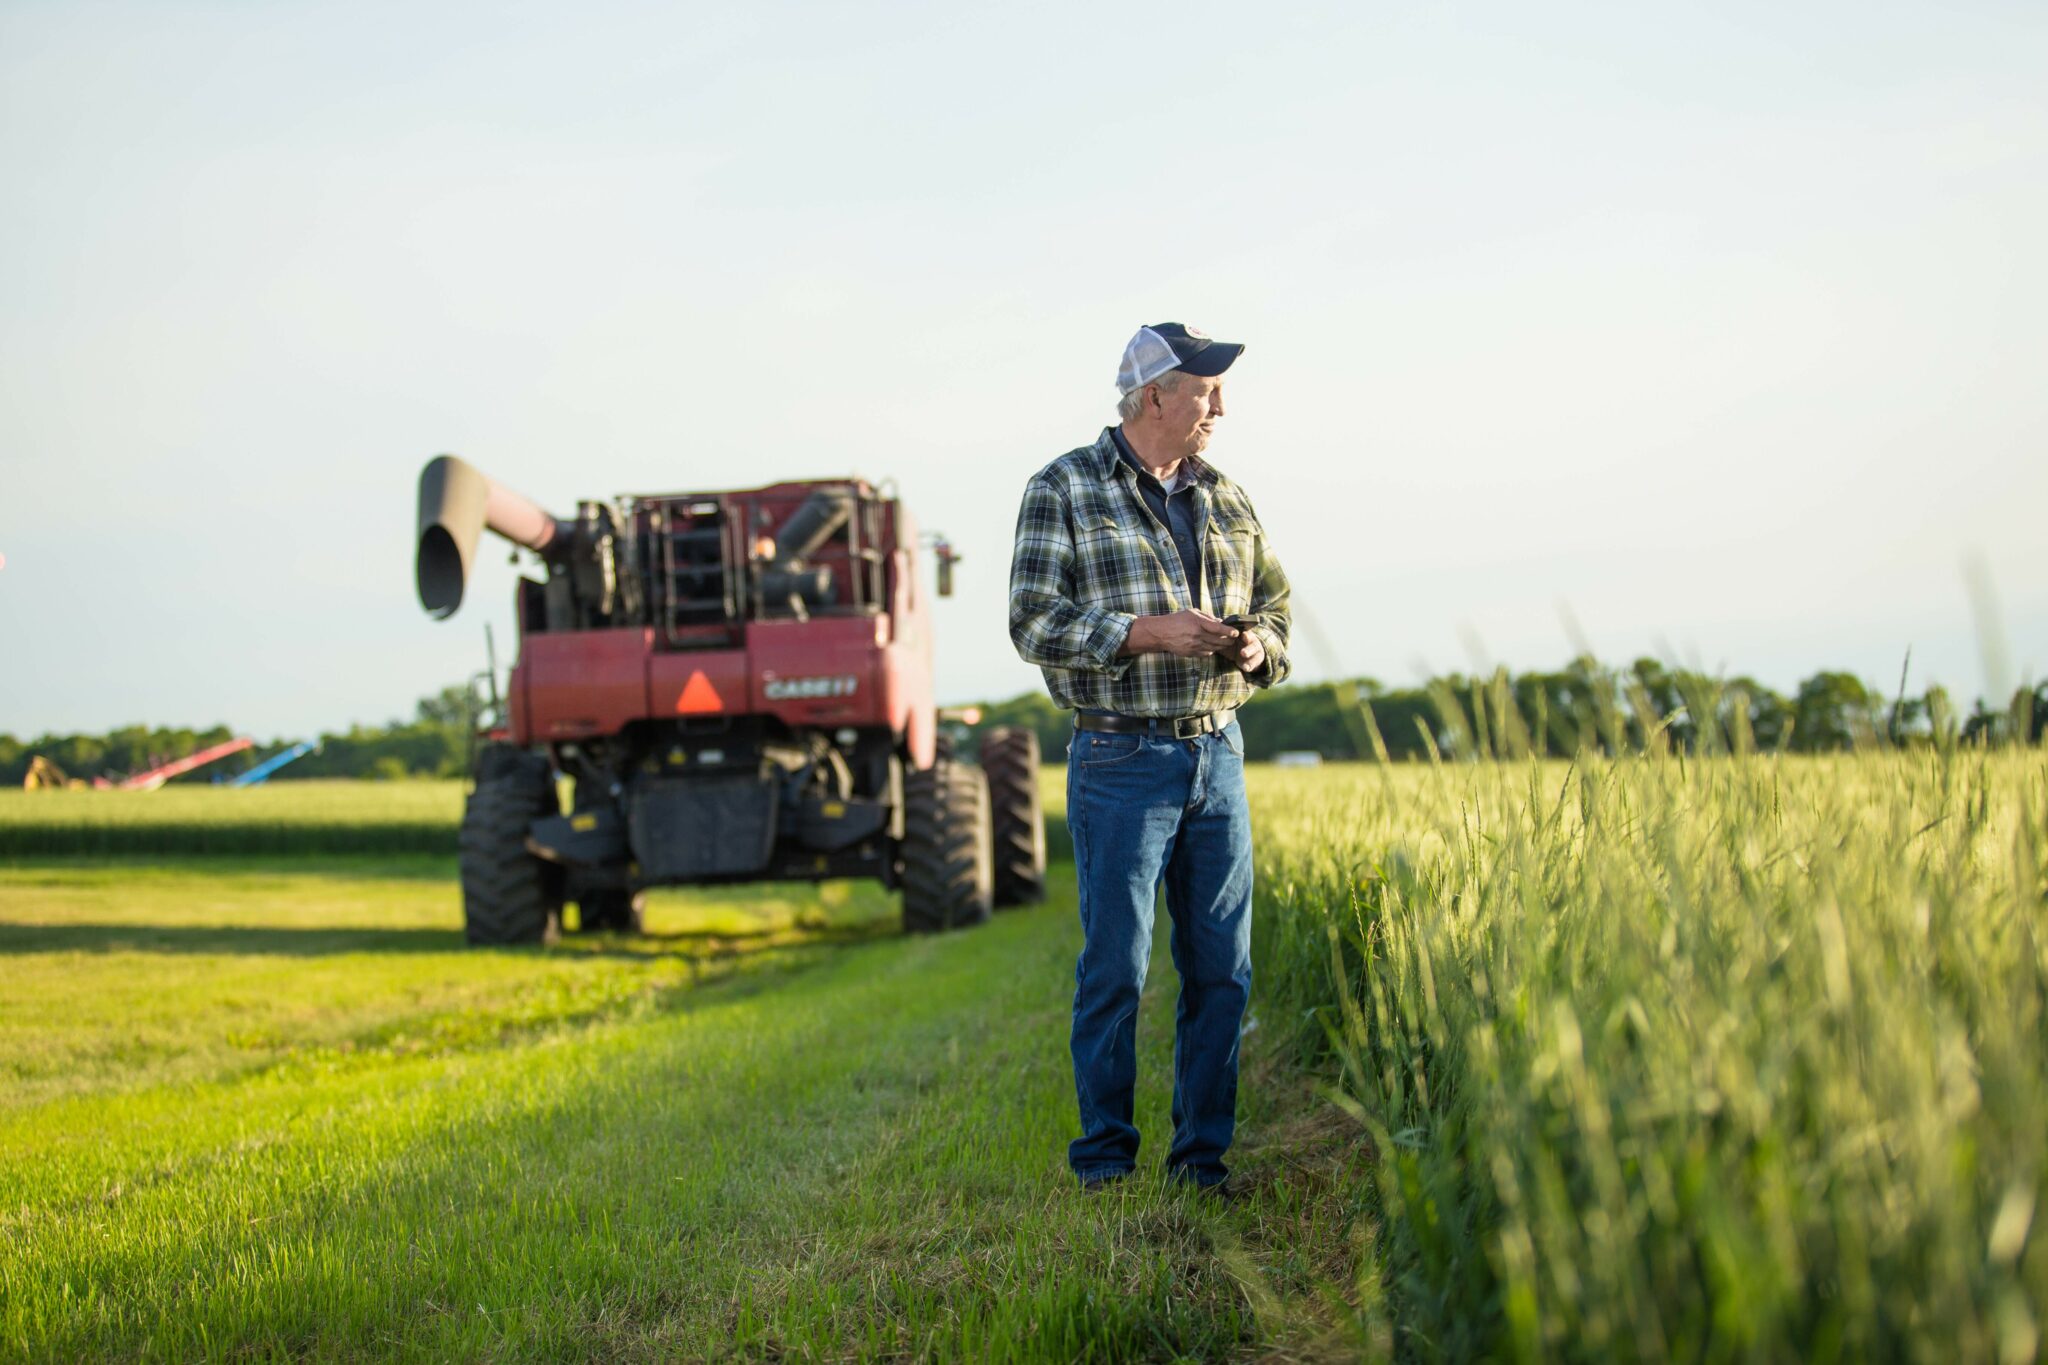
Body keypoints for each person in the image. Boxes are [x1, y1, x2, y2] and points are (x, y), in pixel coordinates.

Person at [1007, 322, 1292, 1197]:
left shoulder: (1229, 496)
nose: (1221, 406)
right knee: (1118, 968)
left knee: (1221, 971)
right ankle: (1104, 1165)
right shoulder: (1062, 487)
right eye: (1207, 389)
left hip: (1220, 756)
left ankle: (1200, 1163)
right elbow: (1032, 620)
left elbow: (1278, 607)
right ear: (1156, 396)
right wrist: (1140, 633)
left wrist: (1255, 650)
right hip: (1120, 758)